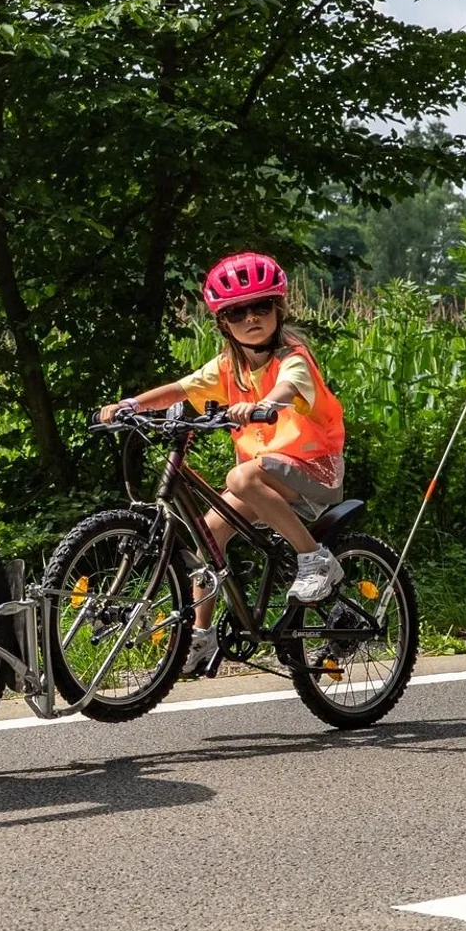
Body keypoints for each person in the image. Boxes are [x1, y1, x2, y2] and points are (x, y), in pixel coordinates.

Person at [97, 251, 347, 675]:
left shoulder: (293, 356)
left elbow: (290, 387)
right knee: (207, 536)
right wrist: (129, 405)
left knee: (240, 475)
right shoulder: (229, 365)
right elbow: (179, 389)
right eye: (236, 312)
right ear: (222, 323)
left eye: (261, 306)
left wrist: (263, 405)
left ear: (278, 309)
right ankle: (201, 636)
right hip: (266, 479)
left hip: (314, 472)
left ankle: (315, 558)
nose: (251, 318)